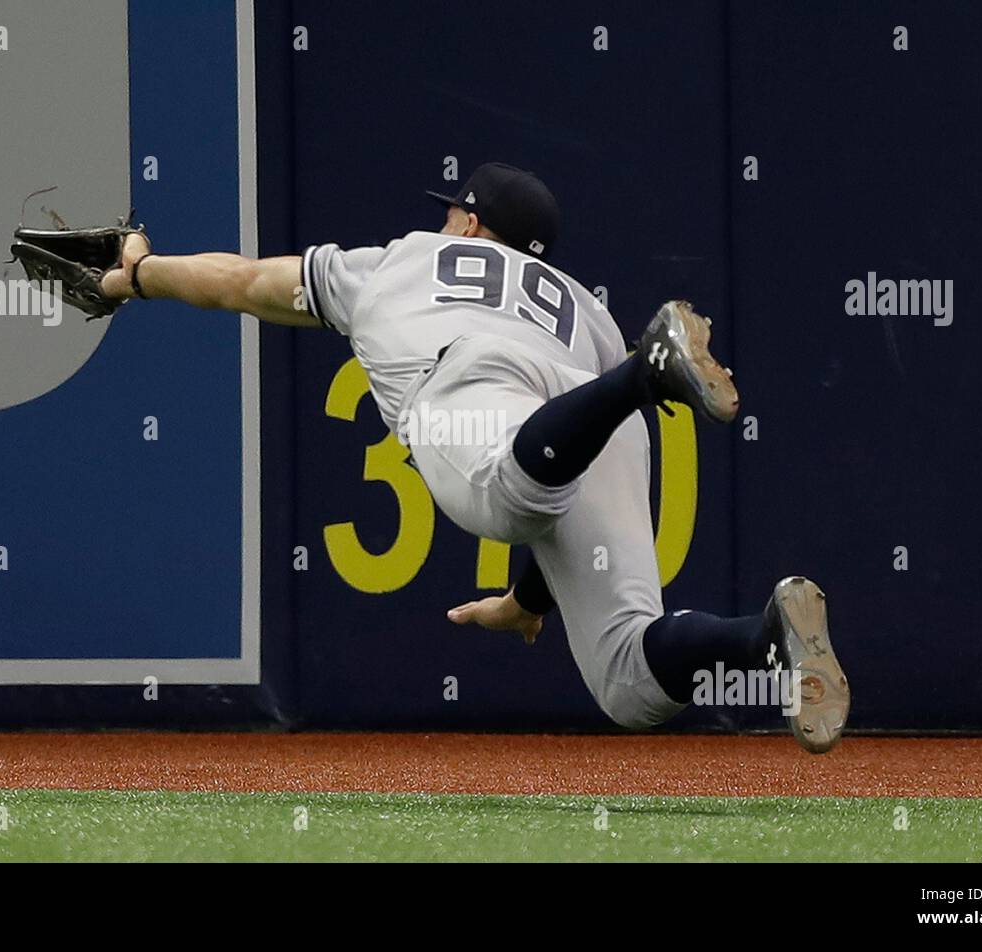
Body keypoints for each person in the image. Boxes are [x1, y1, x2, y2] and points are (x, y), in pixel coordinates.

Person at [99, 162, 849, 752]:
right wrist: (526, 602)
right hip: (596, 408)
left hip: (481, 377)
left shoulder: (407, 259)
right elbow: (563, 465)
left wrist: (139, 273)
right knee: (628, 681)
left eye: (454, 208)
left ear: (474, 225)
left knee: (503, 498)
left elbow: (241, 283)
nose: (444, 218)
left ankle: (648, 372)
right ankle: (766, 634)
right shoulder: (583, 304)